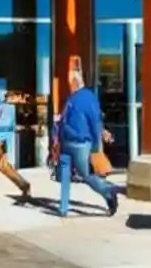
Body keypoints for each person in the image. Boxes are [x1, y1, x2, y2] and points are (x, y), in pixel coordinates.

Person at [58, 69, 118, 216]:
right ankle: (63, 208)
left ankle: (107, 190)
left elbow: (95, 122)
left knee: (85, 175)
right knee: (65, 174)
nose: (68, 85)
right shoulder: (75, 98)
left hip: (79, 142)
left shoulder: (83, 98)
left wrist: (96, 146)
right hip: (70, 142)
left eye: (70, 82)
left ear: (75, 83)